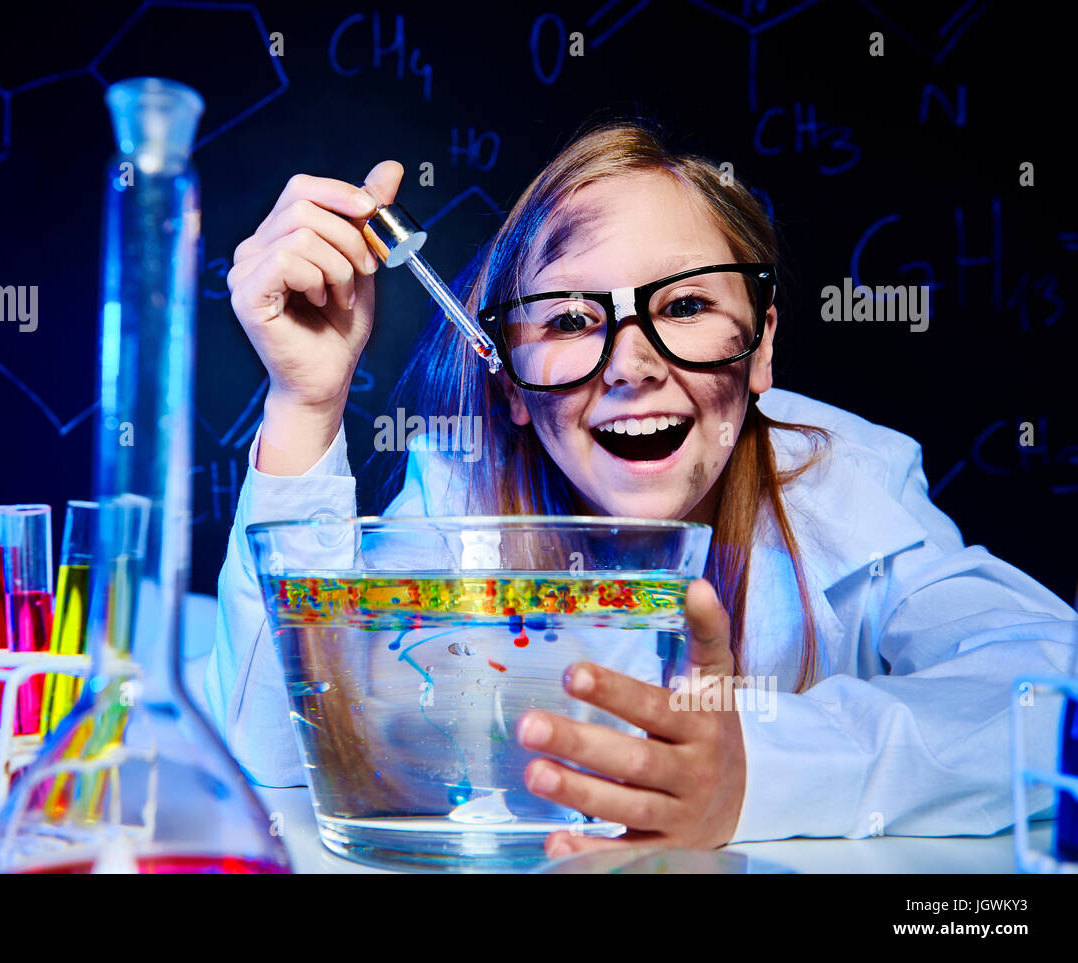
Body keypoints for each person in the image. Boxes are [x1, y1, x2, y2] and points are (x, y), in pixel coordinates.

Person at [208, 118, 1077, 858]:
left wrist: (753, 770)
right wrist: (304, 401)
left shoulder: (840, 479)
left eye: (686, 306)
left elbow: (1050, 690)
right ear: (506, 374)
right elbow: (283, 751)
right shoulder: (462, 498)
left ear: (763, 344)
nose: (631, 365)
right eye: (572, 319)